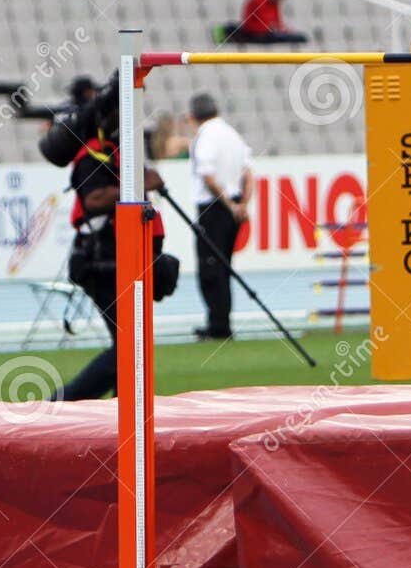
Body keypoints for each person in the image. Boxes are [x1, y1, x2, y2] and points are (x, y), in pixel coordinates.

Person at [37, 77, 178, 400]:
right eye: (120, 111)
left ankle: (118, 406)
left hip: (118, 258)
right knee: (130, 347)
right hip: (104, 263)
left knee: (130, 344)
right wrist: (138, 184)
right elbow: (94, 199)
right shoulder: (92, 155)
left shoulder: (112, 153)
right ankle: (64, 402)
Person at [189, 93, 253, 340]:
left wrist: (228, 204)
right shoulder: (232, 133)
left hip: (213, 208)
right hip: (233, 204)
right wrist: (242, 204)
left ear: (193, 116)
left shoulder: (205, 136)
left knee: (210, 269)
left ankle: (218, 326)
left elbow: (208, 176)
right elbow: (248, 172)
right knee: (223, 266)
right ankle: (220, 322)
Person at [224, 0, 308, 43]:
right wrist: (278, 30)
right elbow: (263, 24)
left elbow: (278, 23)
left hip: (264, 33)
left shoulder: (274, 2)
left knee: (299, 37)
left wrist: (285, 30)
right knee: (298, 38)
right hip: (255, 34)